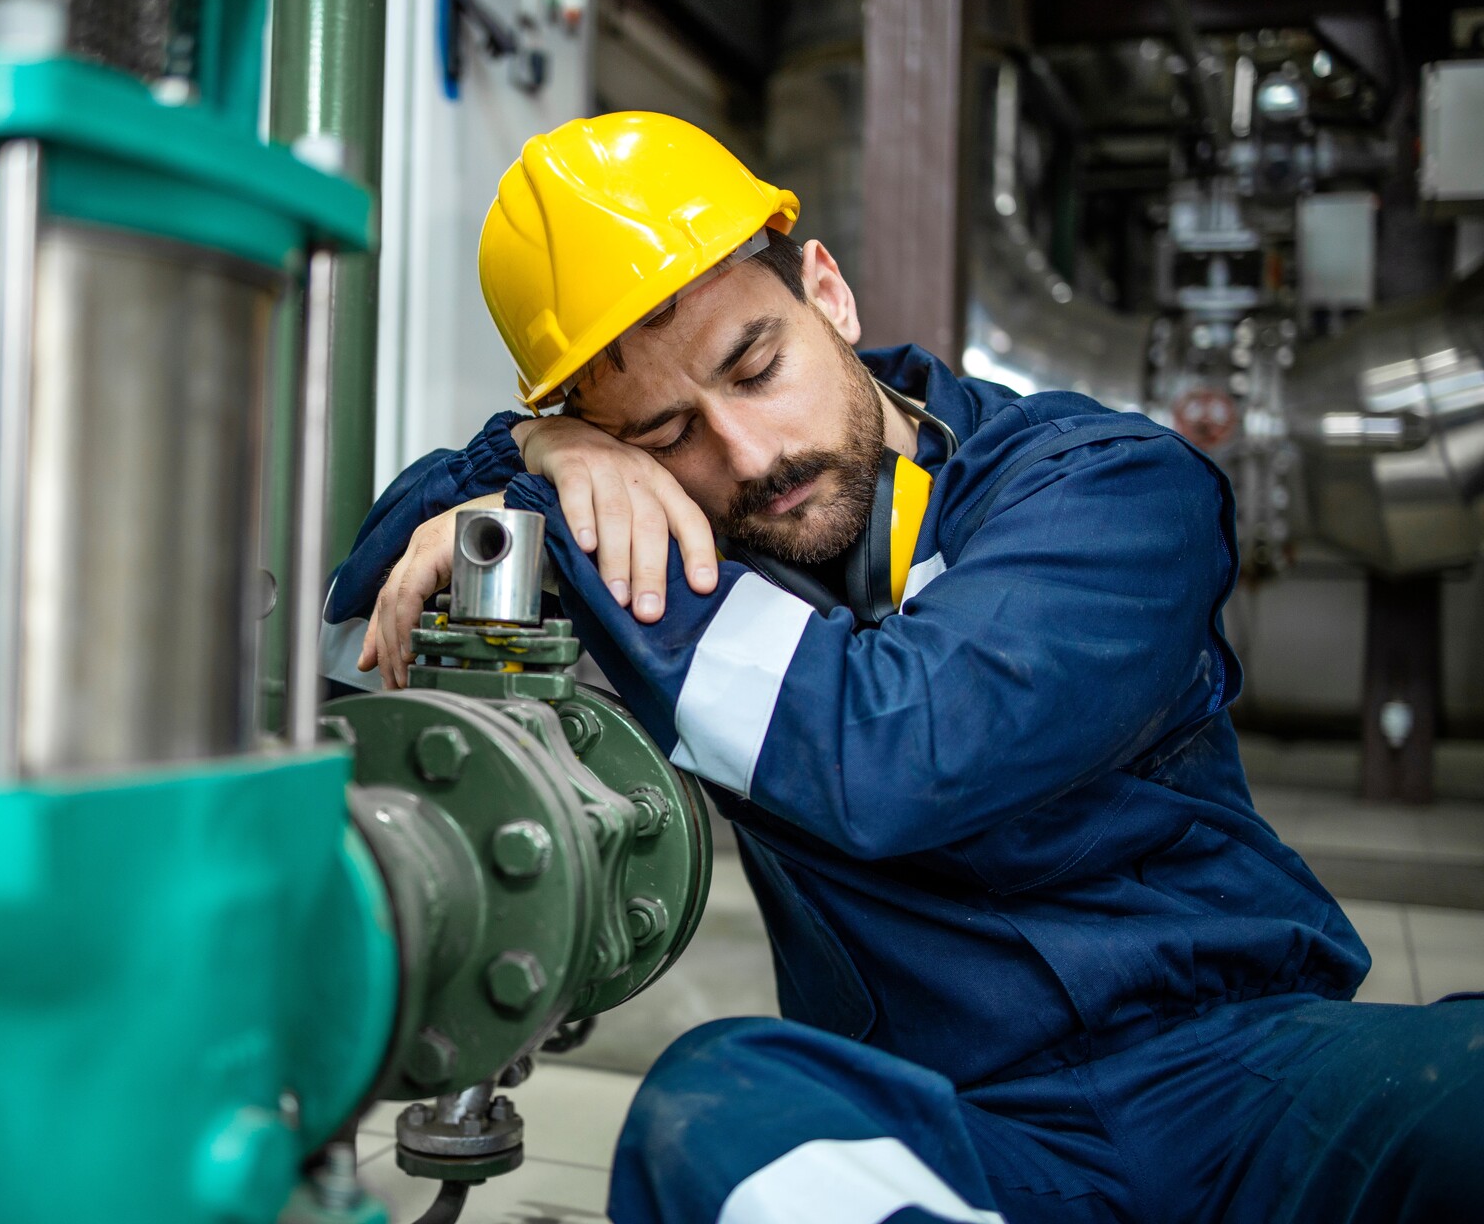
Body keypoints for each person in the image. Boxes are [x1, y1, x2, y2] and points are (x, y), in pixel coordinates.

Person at [321, 113, 1483, 1223]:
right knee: (714, 1106)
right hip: (946, 1126)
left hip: (1242, 1081)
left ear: (826, 288)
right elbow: (353, 636)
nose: (749, 453)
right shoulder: (690, 538)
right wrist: (533, 451)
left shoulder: (1104, 484)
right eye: (665, 434)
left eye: (757, 363)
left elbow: (894, 749)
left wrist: (567, 505)